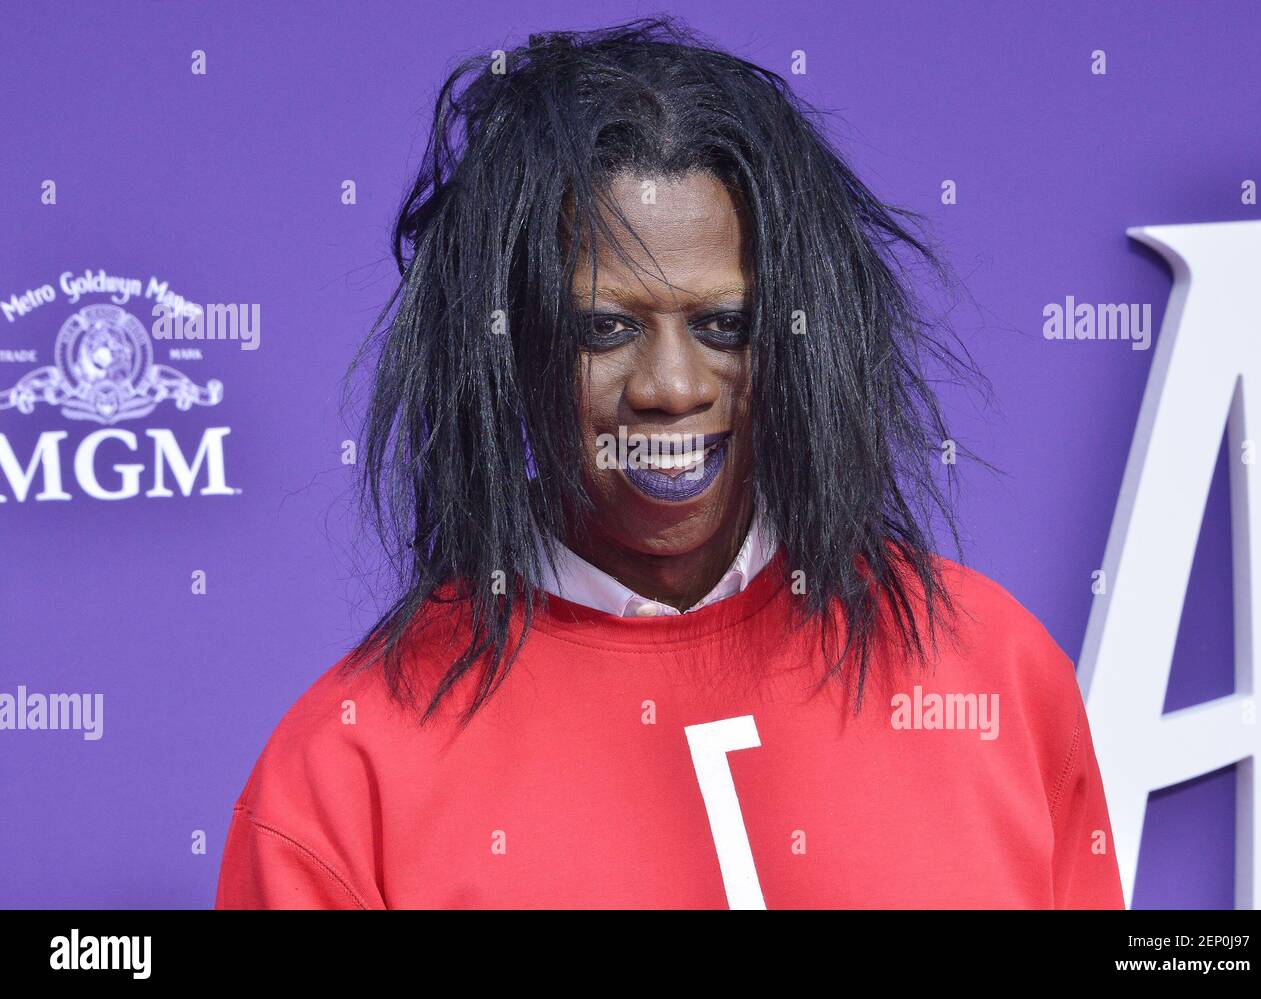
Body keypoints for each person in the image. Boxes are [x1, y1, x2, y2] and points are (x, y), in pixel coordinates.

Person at [215, 17, 1124, 909]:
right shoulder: (346, 773)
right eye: (604, 329)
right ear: (508, 347)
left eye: (724, 325)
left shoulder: (992, 671)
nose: (672, 386)